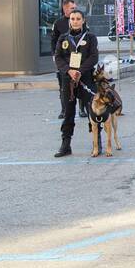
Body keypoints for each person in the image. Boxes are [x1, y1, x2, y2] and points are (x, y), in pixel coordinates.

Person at [53, 10, 99, 158]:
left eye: (78, 19)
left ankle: (96, 142)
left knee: (92, 111)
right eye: (72, 19)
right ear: (69, 21)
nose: (75, 21)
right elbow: (58, 57)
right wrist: (68, 71)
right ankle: (65, 145)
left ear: (83, 20)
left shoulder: (90, 37)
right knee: (68, 112)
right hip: (68, 80)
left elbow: (93, 57)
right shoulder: (63, 38)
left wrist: (79, 70)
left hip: (85, 78)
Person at [51, 0, 76, 118]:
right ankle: (64, 110)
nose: (74, 10)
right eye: (72, 8)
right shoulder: (58, 23)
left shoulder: (80, 20)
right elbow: (53, 40)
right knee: (63, 86)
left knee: (78, 82)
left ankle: (82, 109)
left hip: (76, 57)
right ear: (65, 9)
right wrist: (54, 55)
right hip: (63, 58)